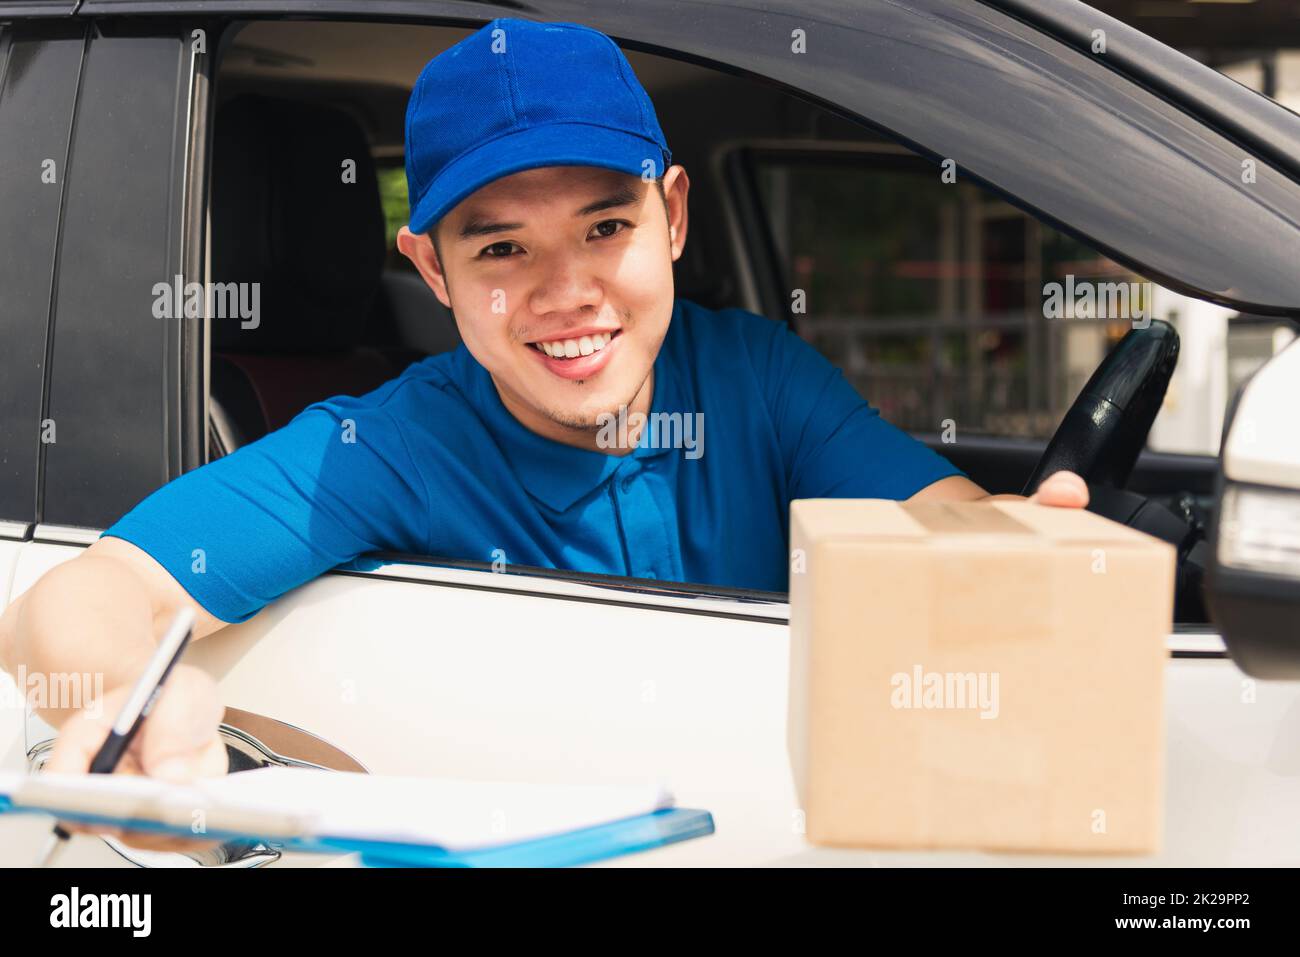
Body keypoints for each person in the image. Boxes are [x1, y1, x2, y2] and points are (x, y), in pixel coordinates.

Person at [0, 17, 1088, 851]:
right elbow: (83, 596)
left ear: (673, 217)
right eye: (502, 251)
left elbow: (944, 526)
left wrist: (1028, 543)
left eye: (606, 227)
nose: (568, 293)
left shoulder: (756, 377)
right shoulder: (388, 447)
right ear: (430, 269)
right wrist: (132, 717)